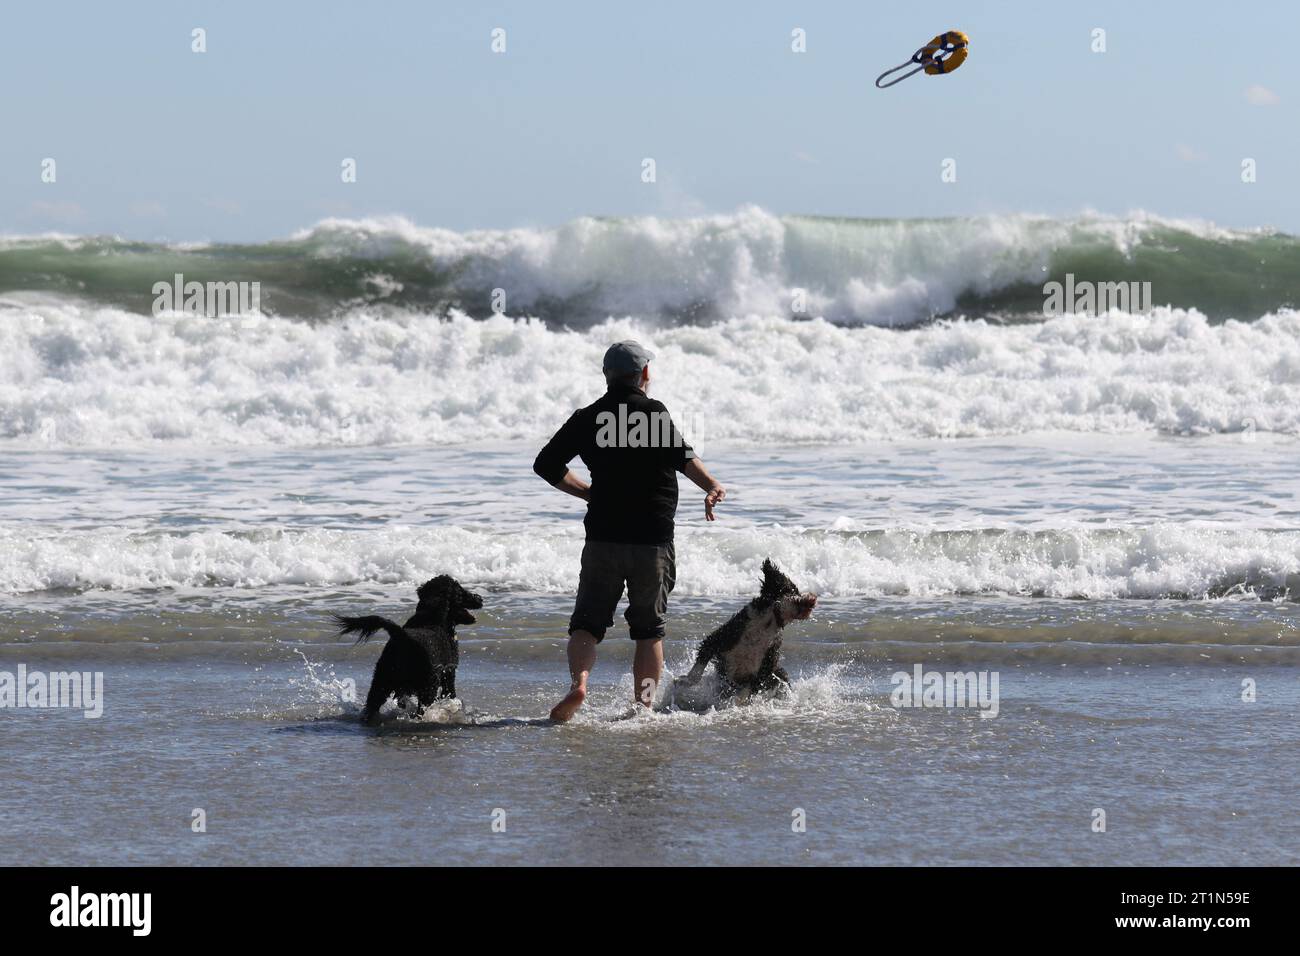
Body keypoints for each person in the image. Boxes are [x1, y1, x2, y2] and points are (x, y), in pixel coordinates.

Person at [533, 341, 726, 722]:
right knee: (648, 632)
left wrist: (586, 492)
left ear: (606, 376)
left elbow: (546, 464)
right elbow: (684, 458)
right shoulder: (653, 414)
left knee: (587, 624)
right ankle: (644, 706)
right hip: (651, 541)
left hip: (603, 537)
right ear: (645, 375)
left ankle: (579, 685)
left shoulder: (589, 416)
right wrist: (712, 487)